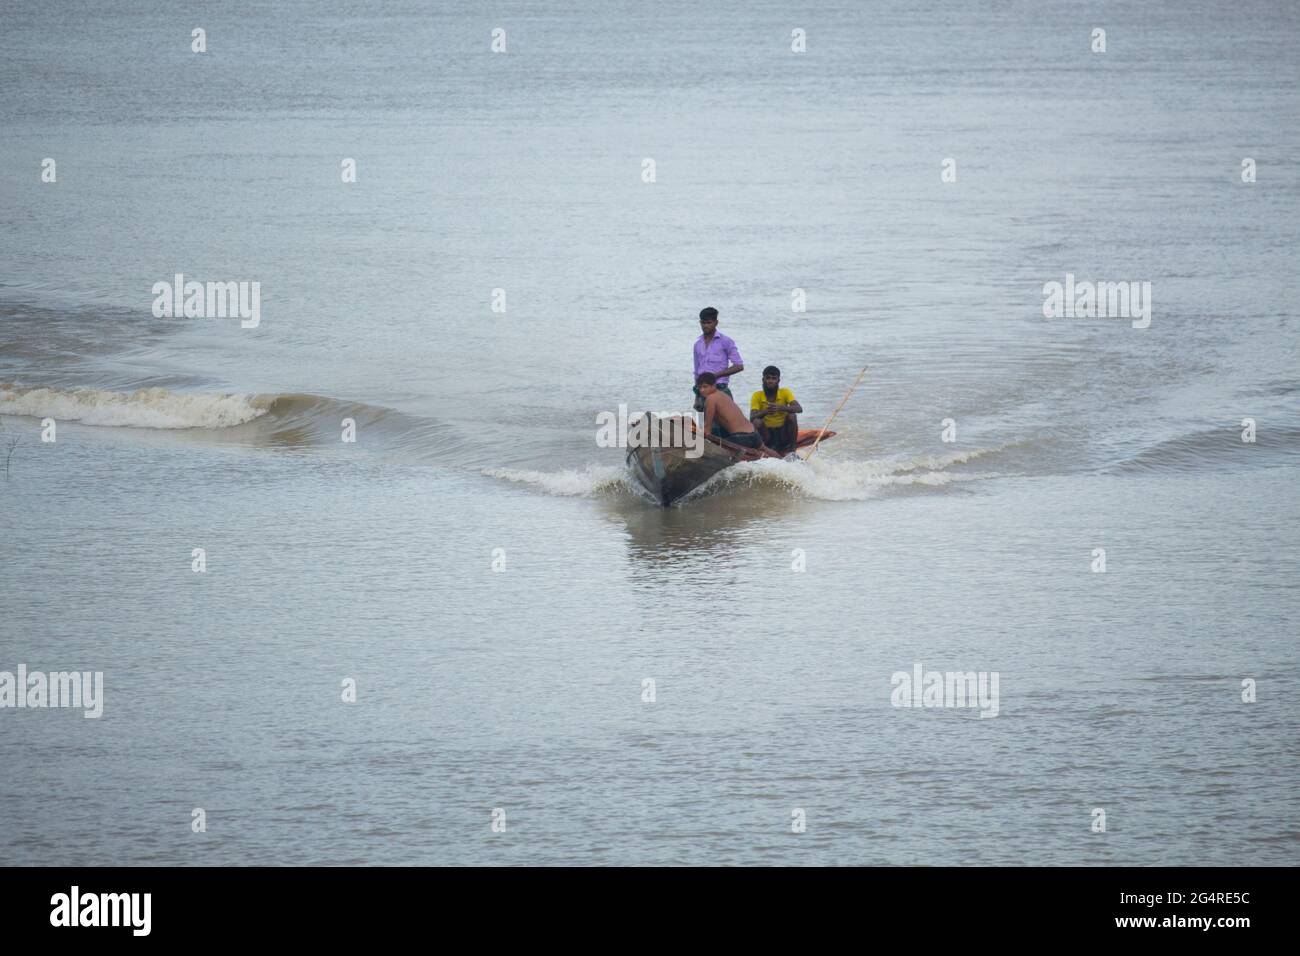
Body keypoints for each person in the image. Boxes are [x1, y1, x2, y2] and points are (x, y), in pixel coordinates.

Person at [692, 307, 744, 412]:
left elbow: (739, 366)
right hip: (702, 391)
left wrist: (715, 376)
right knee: (705, 426)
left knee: (726, 423)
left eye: (708, 322)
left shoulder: (725, 341)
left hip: (720, 388)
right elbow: (697, 372)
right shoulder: (697, 344)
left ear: (716, 322)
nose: (705, 326)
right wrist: (697, 397)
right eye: (703, 322)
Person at [697, 372, 763, 449]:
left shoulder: (711, 398)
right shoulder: (723, 395)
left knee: (716, 450)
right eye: (700, 387)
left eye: (705, 387)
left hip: (741, 437)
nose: (702, 390)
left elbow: (707, 429)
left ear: (714, 386)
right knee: (766, 451)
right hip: (754, 434)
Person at [749, 365, 802, 455]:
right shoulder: (757, 395)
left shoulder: (785, 392)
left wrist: (781, 408)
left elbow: (799, 409)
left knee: (792, 416)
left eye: (774, 378)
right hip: (767, 435)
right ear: (763, 380)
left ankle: (792, 449)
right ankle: (762, 449)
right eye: (768, 378)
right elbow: (752, 417)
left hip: (783, 433)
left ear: (778, 381)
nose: (770, 381)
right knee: (757, 422)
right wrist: (765, 412)